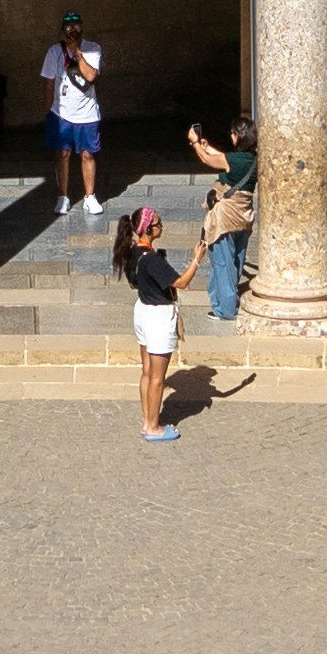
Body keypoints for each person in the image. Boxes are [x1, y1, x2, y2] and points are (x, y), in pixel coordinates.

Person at [117, 201, 184, 442]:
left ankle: (147, 421)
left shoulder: (132, 252)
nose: (161, 226)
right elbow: (181, 282)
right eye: (158, 223)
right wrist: (197, 258)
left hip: (143, 311)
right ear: (147, 229)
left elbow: (134, 282)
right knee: (157, 377)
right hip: (157, 316)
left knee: (146, 372)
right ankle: (154, 427)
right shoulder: (152, 259)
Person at [39, 13, 107, 221]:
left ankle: (90, 196)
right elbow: (49, 82)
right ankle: (63, 196)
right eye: (68, 26)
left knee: (87, 154)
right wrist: (48, 110)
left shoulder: (92, 48)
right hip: (61, 113)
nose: (72, 29)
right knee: (63, 154)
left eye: (76, 25)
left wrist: (77, 53)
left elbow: (91, 76)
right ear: (63, 29)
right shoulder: (54, 52)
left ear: (81, 27)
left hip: (86, 113)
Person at [185, 117, 250, 324]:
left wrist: (195, 143)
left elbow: (208, 160)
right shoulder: (251, 158)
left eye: (232, 133)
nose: (230, 136)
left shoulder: (237, 160)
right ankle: (227, 299)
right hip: (243, 216)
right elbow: (222, 157)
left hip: (225, 218)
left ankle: (226, 309)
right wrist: (207, 147)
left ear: (239, 136)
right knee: (236, 260)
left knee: (223, 263)